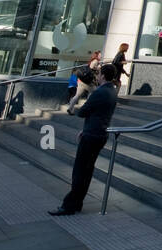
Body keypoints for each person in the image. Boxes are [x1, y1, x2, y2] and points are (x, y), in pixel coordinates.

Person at [50, 63, 119, 216]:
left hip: (92, 135)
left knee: (80, 171)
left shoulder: (100, 92)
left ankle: (69, 205)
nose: (97, 75)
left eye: (99, 73)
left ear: (102, 75)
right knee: (86, 171)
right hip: (99, 132)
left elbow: (83, 112)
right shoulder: (112, 91)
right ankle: (77, 203)